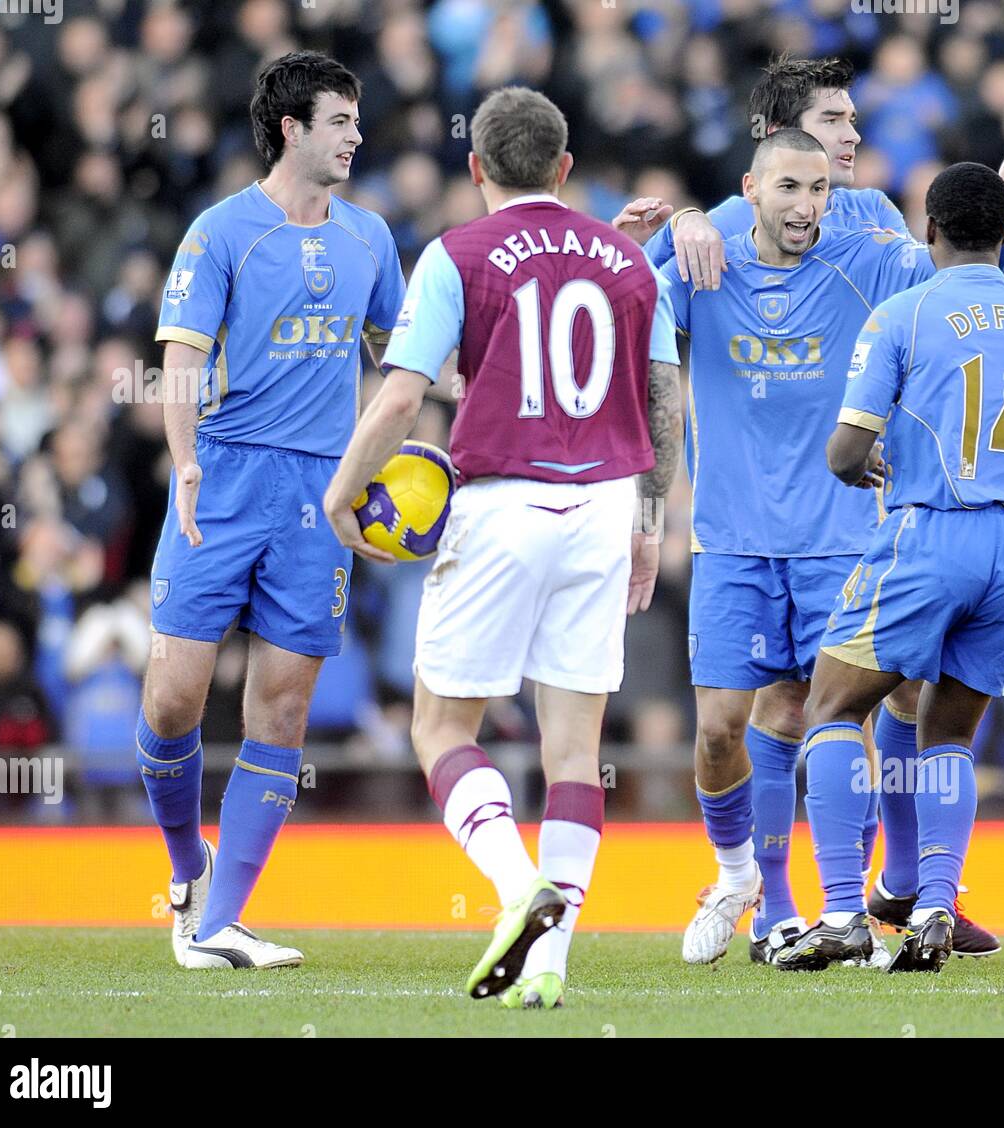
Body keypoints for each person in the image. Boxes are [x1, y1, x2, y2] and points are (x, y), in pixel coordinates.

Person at [616, 55, 1004, 962]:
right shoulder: (711, 238)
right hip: (733, 531)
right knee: (723, 730)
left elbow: (955, 299)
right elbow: (625, 318)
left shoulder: (875, 233)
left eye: (851, 125)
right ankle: (757, 882)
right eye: (834, 120)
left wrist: (1002, 213)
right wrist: (646, 234)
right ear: (776, 146)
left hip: (847, 530)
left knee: (842, 710)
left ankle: (868, 900)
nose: (854, 135)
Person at [323, 86, 683, 1009]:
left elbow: (404, 399)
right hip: (604, 505)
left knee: (442, 727)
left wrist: (342, 493)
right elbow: (662, 400)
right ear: (564, 167)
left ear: (475, 166)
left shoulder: (456, 253)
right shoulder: (630, 264)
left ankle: (515, 887)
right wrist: (649, 522)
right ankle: (552, 968)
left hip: (502, 497)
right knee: (575, 752)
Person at [141, 52, 405, 969]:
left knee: (282, 712)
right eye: (341, 121)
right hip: (222, 477)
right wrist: (182, 462)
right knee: (173, 700)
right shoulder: (222, 232)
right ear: (292, 128)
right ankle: (188, 870)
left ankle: (219, 926)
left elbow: (407, 358)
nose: (356, 136)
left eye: (358, 121)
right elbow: (181, 354)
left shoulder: (371, 237)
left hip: (317, 493)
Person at [807, 162, 1004, 971]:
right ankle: (932, 904)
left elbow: (845, 452)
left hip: (931, 534)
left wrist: (865, 466)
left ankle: (839, 911)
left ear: (929, 230)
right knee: (949, 732)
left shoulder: (905, 312)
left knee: (829, 707)